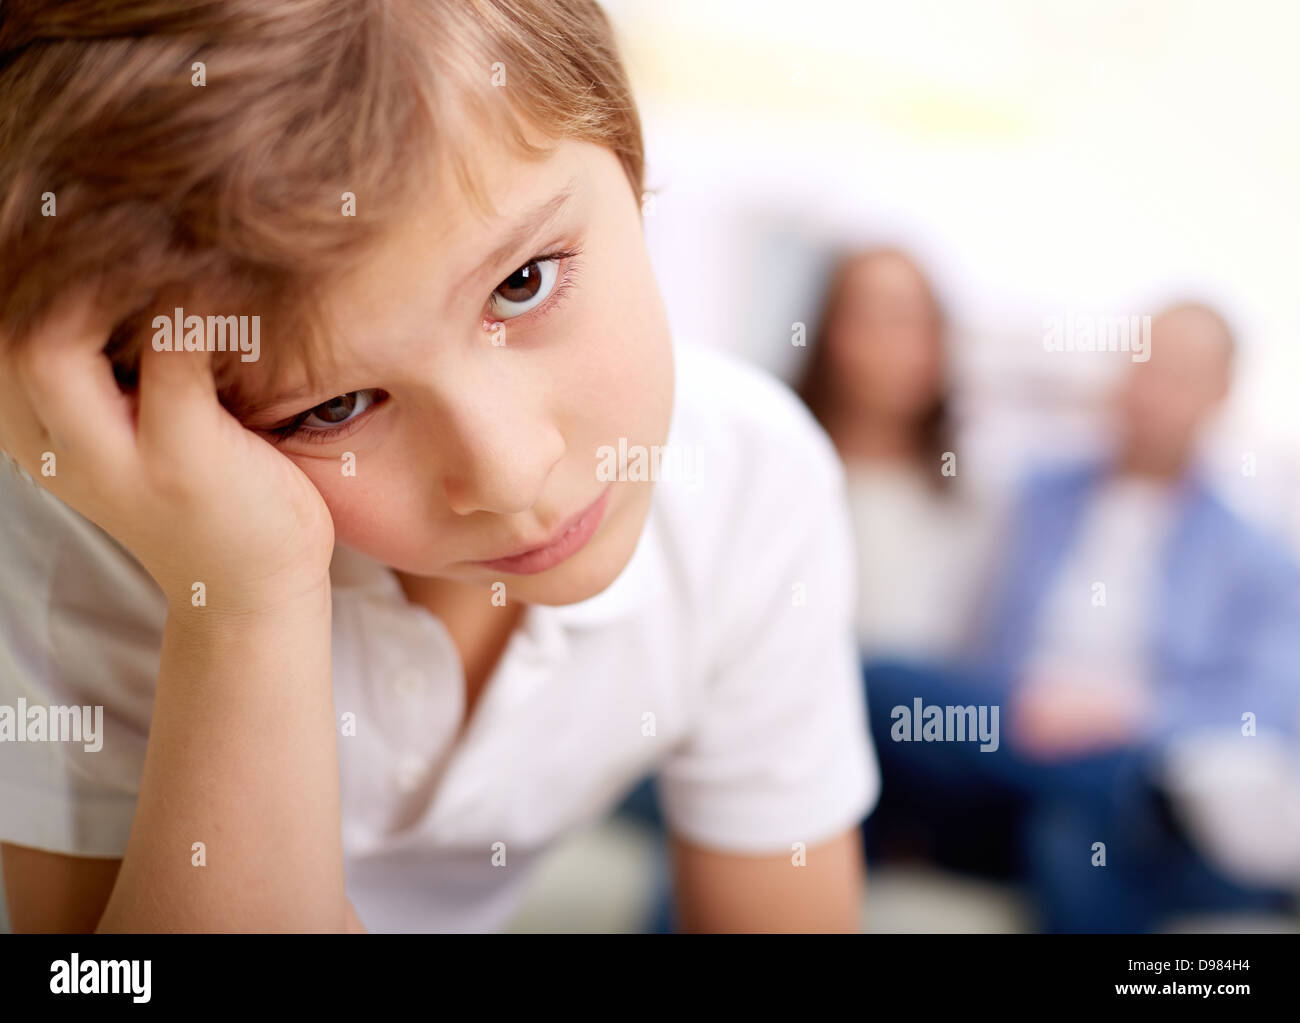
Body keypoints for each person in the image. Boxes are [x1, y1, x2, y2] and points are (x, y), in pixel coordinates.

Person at [0, 0, 878, 933]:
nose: (508, 474)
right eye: (330, 407)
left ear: (628, 152)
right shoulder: (98, 538)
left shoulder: (749, 484)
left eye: (524, 281)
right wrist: (246, 606)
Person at [866, 301, 1300, 931]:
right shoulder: (1035, 495)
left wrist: (1129, 712)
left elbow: (1268, 708)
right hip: (1010, 725)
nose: (1149, 391)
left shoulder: (1255, 553)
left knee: (1075, 824)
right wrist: (1030, 707)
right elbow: (973, 643)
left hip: (1143, 763)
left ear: (1220, 395)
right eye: (1141, 364)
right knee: (883, 685)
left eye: (1177, 374)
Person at [796, 247, 995, 662]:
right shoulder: (785, 475)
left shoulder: (978, 497)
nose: (897, 345)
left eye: (915, 323)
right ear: (828, 331)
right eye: (875, 319)